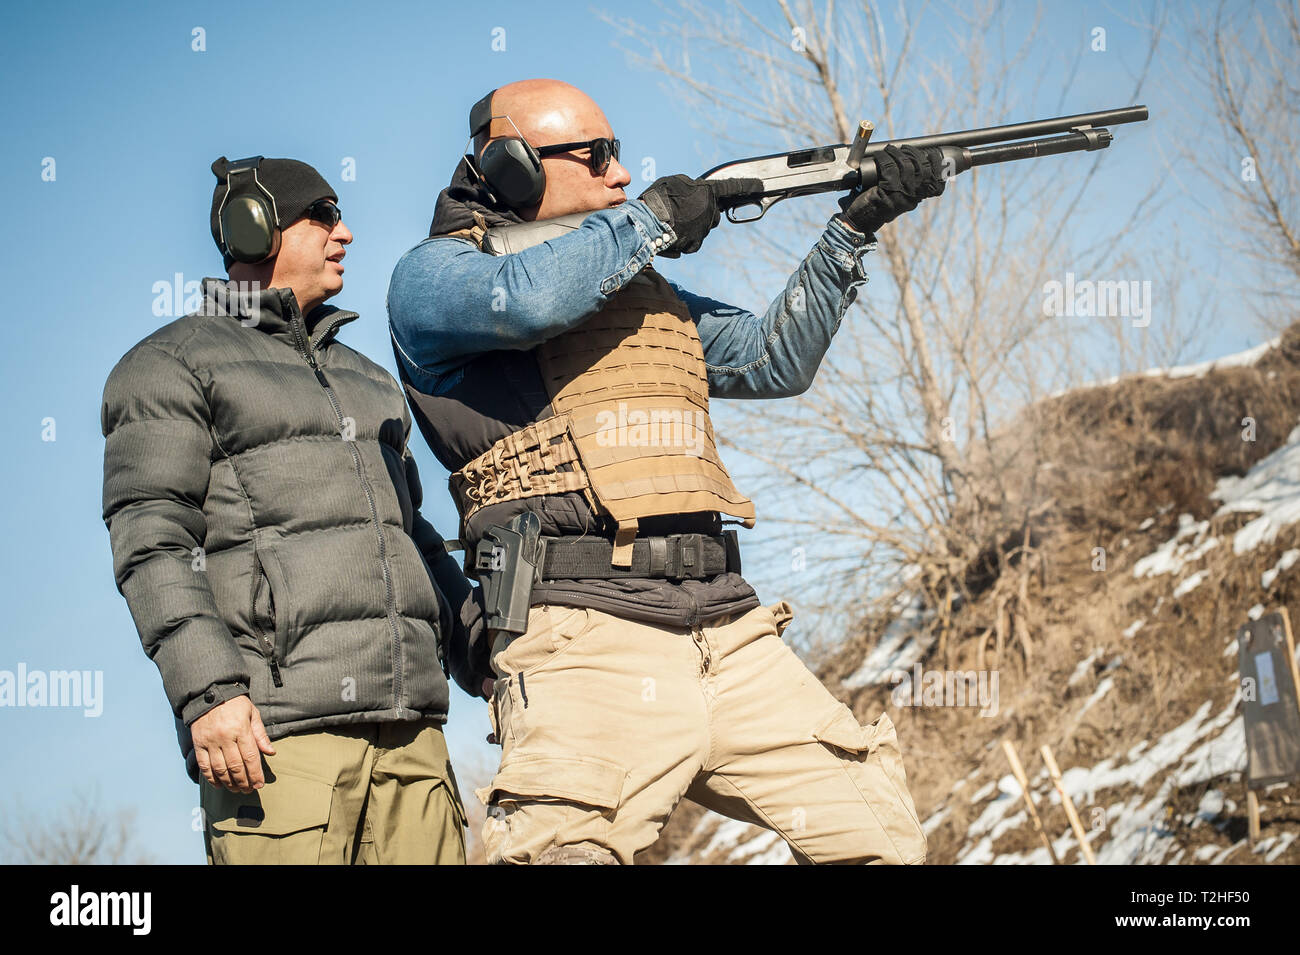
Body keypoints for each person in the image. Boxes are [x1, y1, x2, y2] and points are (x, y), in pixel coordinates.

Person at [387, 79, 946, 865]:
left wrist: (851, 229)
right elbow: (528, 303)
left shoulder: (641, 287)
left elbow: (770, 357)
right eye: (598, 155)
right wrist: (649, 222)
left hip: (729, 623)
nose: (621, 175)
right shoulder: (436, 278)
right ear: (512, 169)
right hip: (582, 632)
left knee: (880, 839)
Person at [101, 155, 475, 864]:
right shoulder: (170, 363)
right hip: (279, 744)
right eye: (323, 216)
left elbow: (416, 541)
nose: (346, 233)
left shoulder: (368, 381)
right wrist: (207, 691)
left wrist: (478, 649)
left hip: (414, 744)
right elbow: (152, 539)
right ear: (254, 229)